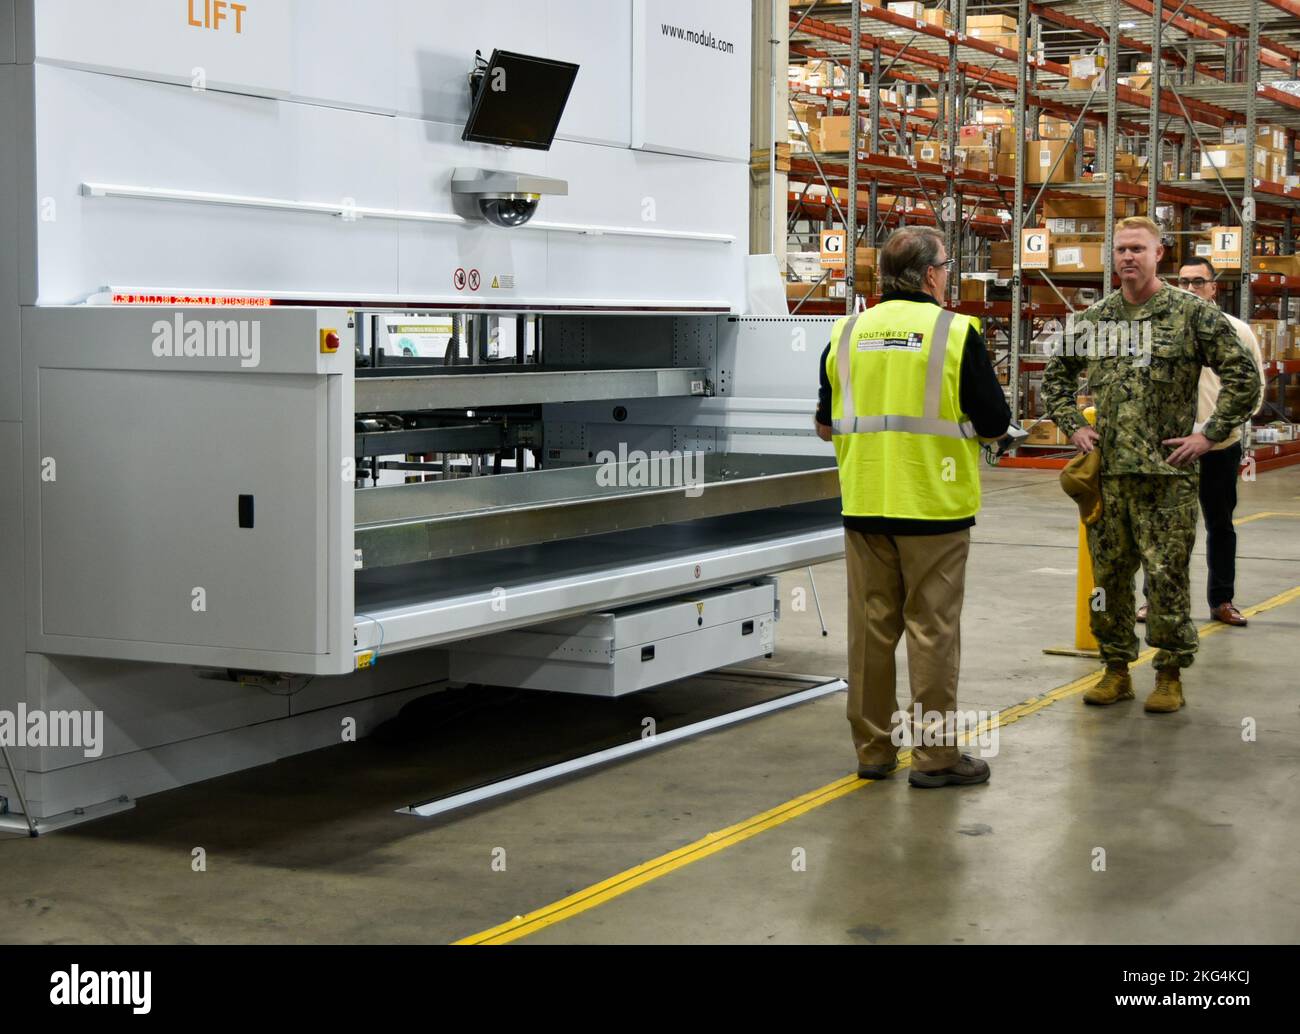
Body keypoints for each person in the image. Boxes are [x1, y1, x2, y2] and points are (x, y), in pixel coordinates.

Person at [814, 226, 1010, 788]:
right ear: (930, 275)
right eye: (947, 266)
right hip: (933, 508)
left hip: (866, 505)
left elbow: (827, 424)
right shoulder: (955, 332)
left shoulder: (847, 332)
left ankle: (873, 751)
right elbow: (994, 422)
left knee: (871, 633)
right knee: (932, 631)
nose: (949, 276)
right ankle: (935, 758)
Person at [1042, 218, 1260, 714]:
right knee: (1107, 582)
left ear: (1159, 253)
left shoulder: (1191, 315)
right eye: (1120, 249)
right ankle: (1115, 668)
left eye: (1138, 248)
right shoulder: (1095, 319)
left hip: (1168, 479)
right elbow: (1055, 378)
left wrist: (1209, 435)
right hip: (1109, 479)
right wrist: (1075, 424)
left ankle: (1168, 673)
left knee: (1166, 578)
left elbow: (1242, 377)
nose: (1128, 257)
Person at [1135, 257, 1265, 628]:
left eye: (1198, 281)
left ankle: (1222, 600)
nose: (1190, 288)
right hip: (1171, 447)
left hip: (1219, 447)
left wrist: (1210, 433)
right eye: (1184, 281)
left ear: (1213, 287)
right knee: (1164, 527)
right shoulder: (1161, 329)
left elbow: (1252, 391)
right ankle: (1155, 600)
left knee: (1219, 524)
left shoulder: (1237, 331)